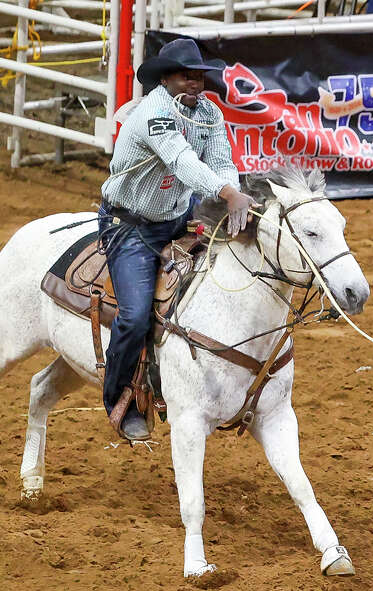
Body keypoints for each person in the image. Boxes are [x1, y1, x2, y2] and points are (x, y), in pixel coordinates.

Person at [98, 38, 255, 441]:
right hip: (128, 226)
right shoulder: (153, 112)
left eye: (199, 76)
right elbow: (183, 162)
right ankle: (121, 401)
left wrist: (230, 195)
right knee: (133, 317)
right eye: (187, 75)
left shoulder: (210, 113)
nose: (195, 83)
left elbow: (221, 161)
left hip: (175, 217)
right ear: (166, 77)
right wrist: (227, 195)